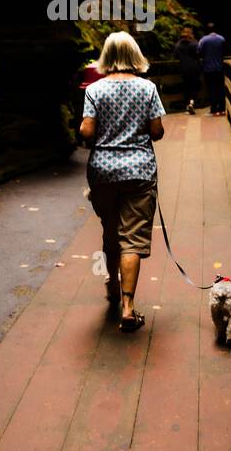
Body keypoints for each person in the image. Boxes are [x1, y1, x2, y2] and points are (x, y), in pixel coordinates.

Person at [79, 31, 165, 332]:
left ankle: (113, 288)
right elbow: (157, 131)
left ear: (107, 56)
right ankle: (128, 307)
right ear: (134, 55)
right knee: (132, 238)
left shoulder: (95, 90)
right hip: (139, 171)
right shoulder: (148, 88)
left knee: (110, 229)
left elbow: (87, 133)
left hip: (103, 170)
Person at [198, 22, 227, 116]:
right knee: (221, 89)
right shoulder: (221, 39)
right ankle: (222, 109)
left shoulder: (204, 40)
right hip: (219, 68)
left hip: (208, 69)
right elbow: (224, 51)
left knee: (212, 89)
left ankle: (214, 110)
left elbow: (199, 52)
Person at [175, 27, 201, 114]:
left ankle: (187, 106)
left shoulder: (178, 45)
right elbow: (199, 53)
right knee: (194, 86)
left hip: (183, 68)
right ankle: (192, 103)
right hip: (194, 67)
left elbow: (176, 55)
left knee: (186, 87)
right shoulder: (194, 44)